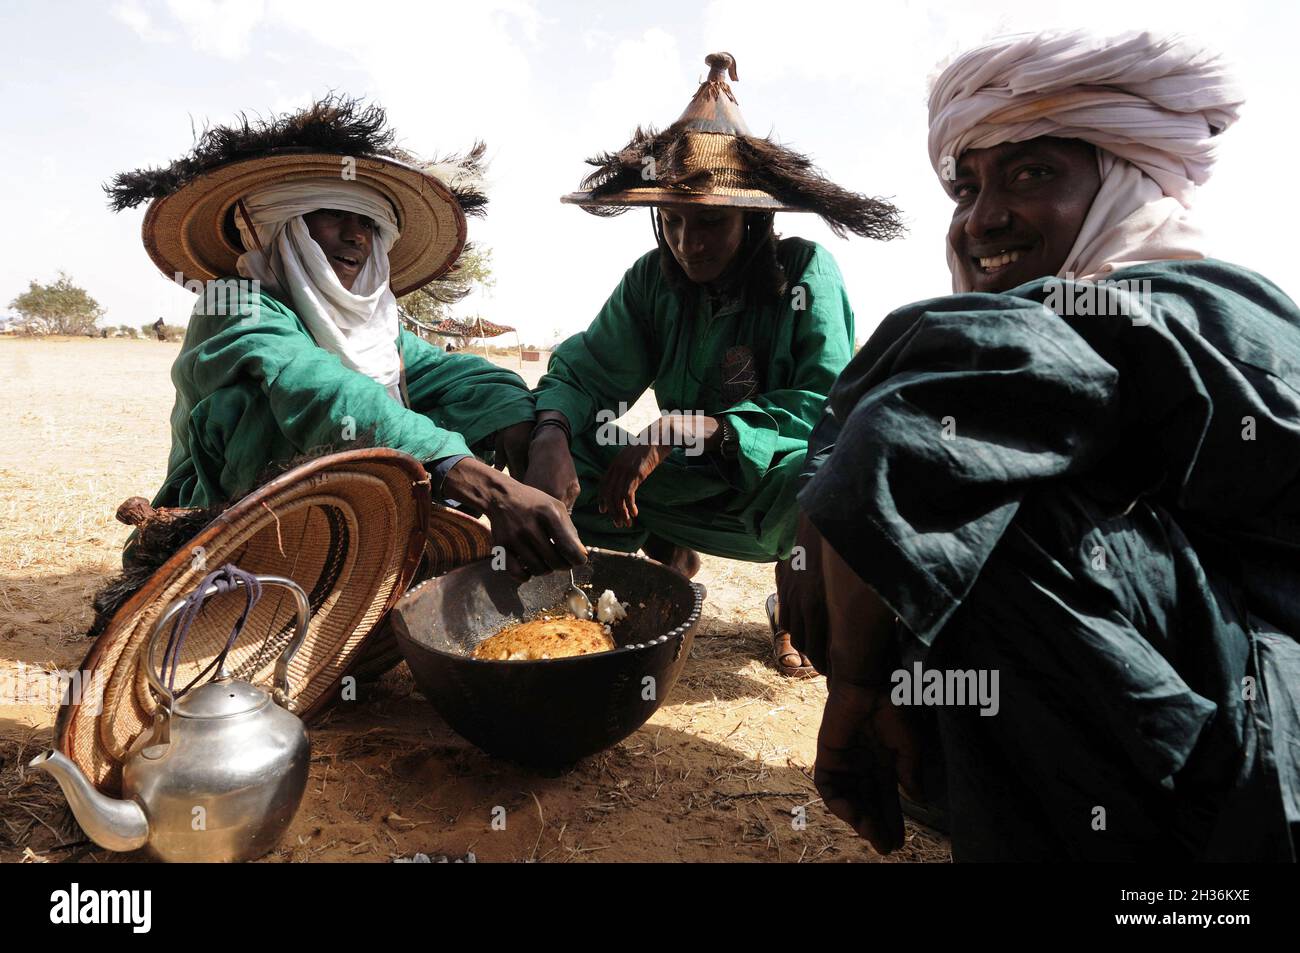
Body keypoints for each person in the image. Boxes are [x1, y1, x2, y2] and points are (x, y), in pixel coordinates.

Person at [782, 29, 1299, 860]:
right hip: (1176, 730)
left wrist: (853, 687)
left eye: (1033, 174)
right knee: (874, 531)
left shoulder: (1204, 310)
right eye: (967, 186)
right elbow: (876, 426)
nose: (984, 217)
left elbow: (916, 413)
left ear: (1123, 185)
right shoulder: (1035, 328)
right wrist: (829, 522)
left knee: (991, 527)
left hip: (1266, 753)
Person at [526, 53, 902, 674]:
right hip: (679, 478)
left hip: (768, 492)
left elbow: (826, 412)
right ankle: (668, 552)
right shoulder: (653, 280)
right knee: (550, 439)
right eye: (671, 222)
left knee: (825, 473)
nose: (686, 242)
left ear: (755, 222)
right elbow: (588, 371)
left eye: (709, 222)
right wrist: (551, 433)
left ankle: (792, 593)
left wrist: (695, 428)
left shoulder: (808, 274)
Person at [108, 96, 584, 580]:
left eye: (368, 223)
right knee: (341, 415)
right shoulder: (232, 304)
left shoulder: (378, 334)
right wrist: (483, 483)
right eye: (335, 214)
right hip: (229, 520)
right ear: (280, 223)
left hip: (341, 521)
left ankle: (374, 549)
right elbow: (317, 390)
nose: (356, 236)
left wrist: (532, 433)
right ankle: (296, 559)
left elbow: (468, 377)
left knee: (466, 402)